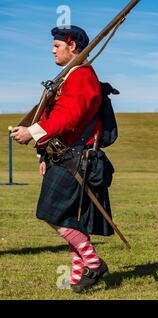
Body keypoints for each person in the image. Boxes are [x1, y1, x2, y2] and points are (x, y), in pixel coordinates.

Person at [11, 25, 114, 292]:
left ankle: (93, 263)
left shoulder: (81, 75)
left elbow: (70, 116)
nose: (52, 50)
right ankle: (80, 275)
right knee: (68, 217)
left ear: (73, 47)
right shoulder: (69, 76)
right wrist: (41, 152)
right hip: (64, 155)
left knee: (52, 213)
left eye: (57, 45)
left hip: (76, 157)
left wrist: (32, 131)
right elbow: (52, 115)